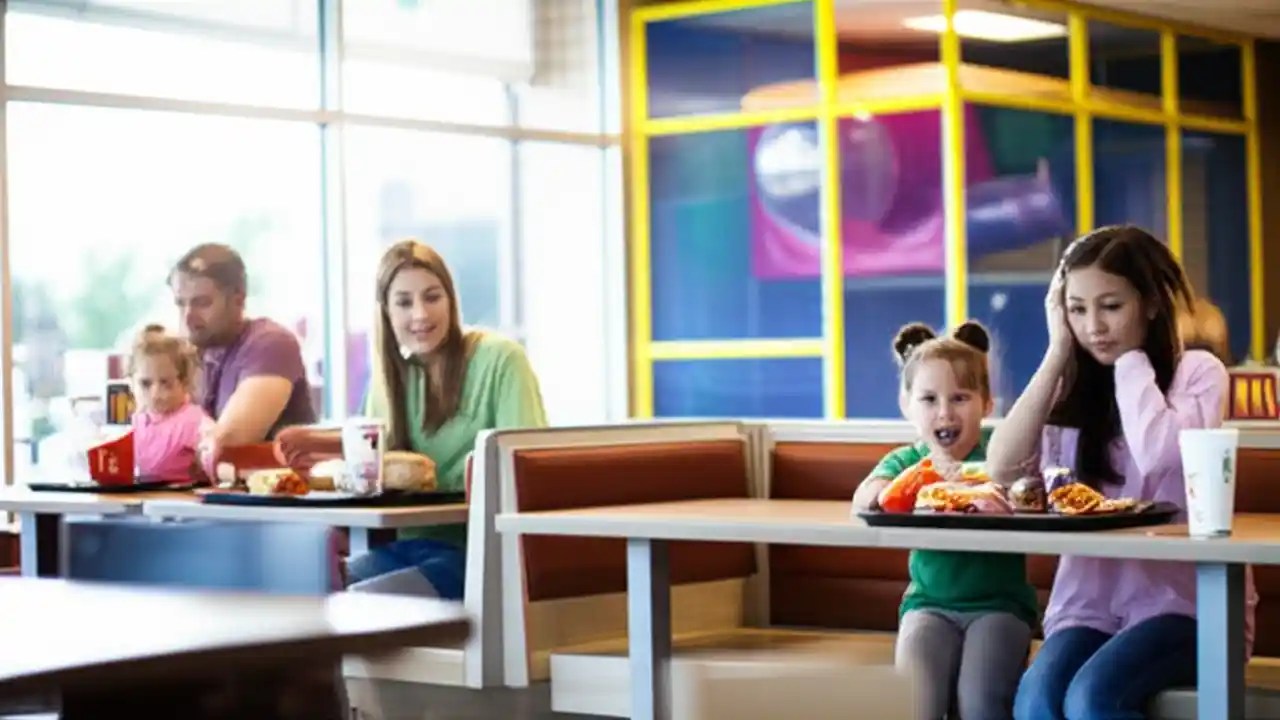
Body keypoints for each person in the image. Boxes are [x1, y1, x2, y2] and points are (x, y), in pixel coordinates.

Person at [985, 225, 1258, 720]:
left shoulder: (1197, 372)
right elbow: (1002, 470)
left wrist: (1132, 356)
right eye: (1078, 309)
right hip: (1087, 607)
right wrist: (1055, 357)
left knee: (1092, 699)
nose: (1095, 326)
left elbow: (1158, 453)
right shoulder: (1070, 387)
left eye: (1111, 307)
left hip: (1188, 609)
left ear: (1151, 303)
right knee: (1035, 703)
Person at [275, 239, 547, 599]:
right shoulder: (392, 379)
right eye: (404, 302)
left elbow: (525, 470)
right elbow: (370, 474)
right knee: (298, 594)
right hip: (411, 548)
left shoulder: (500, 360)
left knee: (354, 606)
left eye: (432, 297)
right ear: (386, 312)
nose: (420, 315)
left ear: (451, 300)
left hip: (481, 555)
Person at [851, 321, 1037, 720]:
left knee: (980, 702)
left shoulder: (999, 455)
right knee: (916, 703)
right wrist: (907, 485)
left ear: (987, 404)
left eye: (960, 398)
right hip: (928, 604)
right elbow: (867, 496)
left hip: (999, 605)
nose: (945, 412)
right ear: (907, 405)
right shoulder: (907, 461)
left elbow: (1029, 487)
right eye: (929, 399)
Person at [169, 243, 316, 446]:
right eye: (180, 303)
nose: (188, 317)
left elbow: (230, 442)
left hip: (275, 478)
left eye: (202, 303)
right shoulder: (190, 354)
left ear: (238, 301)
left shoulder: (270, 344)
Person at [128, 324, 212, 482]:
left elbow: (214, 454)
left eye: (166, 383)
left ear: (185, 382)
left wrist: (207, 455)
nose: (155, 393)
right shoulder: (138, 421)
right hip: (143, 499)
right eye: (145, 384)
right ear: (131, 382)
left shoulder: (194, 421)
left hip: (181, 501)